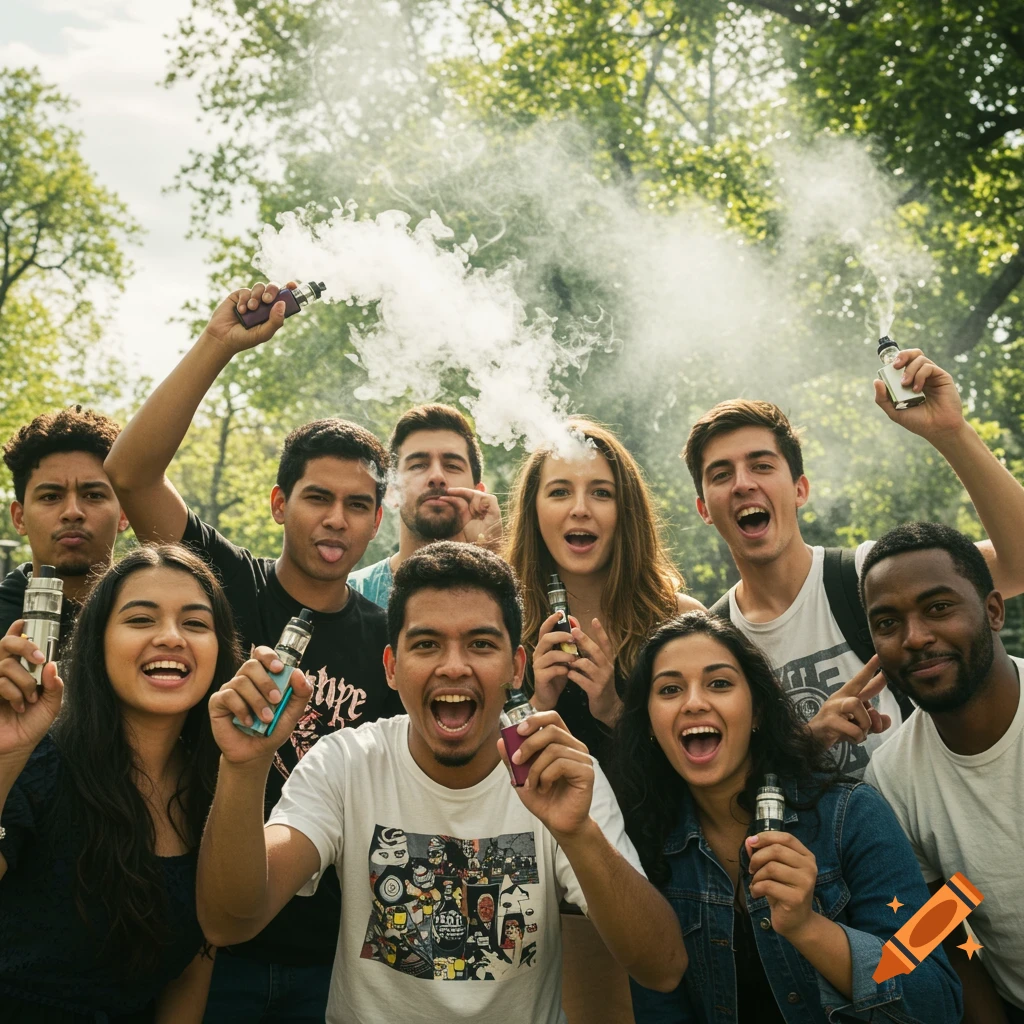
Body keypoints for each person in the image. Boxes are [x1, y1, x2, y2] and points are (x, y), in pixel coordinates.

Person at [197, 542, 688, 1024]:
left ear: (517, 666)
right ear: (392, 667)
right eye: (427, 644)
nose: (454, 666)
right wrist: (243, 767)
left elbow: (662, 969)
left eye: (480, 644)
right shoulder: (347, 762)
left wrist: (580, 836)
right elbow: (230, 919)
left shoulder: (558, 770)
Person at [104, 281, 400, 1022]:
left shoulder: (389, 643)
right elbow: (130, 474)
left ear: (376, 523)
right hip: (203, 950)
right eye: (317, 497)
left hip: (334, 958)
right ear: (279, 503)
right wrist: (219, 345)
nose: (336, 520)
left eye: (358, 504)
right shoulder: (224, 584)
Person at [683, 348, 1024, 777]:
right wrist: (810, 739)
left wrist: (951, 431)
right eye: (720, 474)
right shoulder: (716, 642)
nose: (743, 484)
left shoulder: (871, 576)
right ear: (704, 509)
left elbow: (1018, 563)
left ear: (800, 489)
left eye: (762, 465)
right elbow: (721, 783)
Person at [613, 611, 963, 1023]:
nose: (694, 703)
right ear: (651, 723)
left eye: (719, 683)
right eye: (670, 689)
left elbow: (936, 1004)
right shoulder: (646, 848)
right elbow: (659, 1006)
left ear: (758, 710)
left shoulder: (852, 815)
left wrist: (807, 928)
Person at [0, 544, 243, 1022]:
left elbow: (193, 968)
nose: (171, 637)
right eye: (140, 620)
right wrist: (6, 758)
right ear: (97, 642)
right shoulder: (39, 759)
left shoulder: (219, 788)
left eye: (195, 623)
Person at [860, 522, 1024, 1024]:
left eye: (938, 608)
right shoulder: (890, 780)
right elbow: (947, 930)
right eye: (887, 623)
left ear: (992, 611)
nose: (916, 638)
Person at [505, 417, 703, 763]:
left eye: (601, 493)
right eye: (560, 491)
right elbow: (476, 780)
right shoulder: (503, 627)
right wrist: (538, 704)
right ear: (533, 510)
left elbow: (704, 769)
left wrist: (613, 710)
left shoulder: (681, 621)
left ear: (625, 510)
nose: (580, 509)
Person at [348, 403, 502, 608]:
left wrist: (491, 554)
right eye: (418, 465)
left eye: (452, 466)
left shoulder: (517, 594)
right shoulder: (350, 596)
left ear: (479, 492)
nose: (437, 477)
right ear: (392, 492)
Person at [0, 405, 128, 641]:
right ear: (20, 518)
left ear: (124, 515)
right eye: (50, 496)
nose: (72, 512)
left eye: (93, 495)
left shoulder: (157, 620)